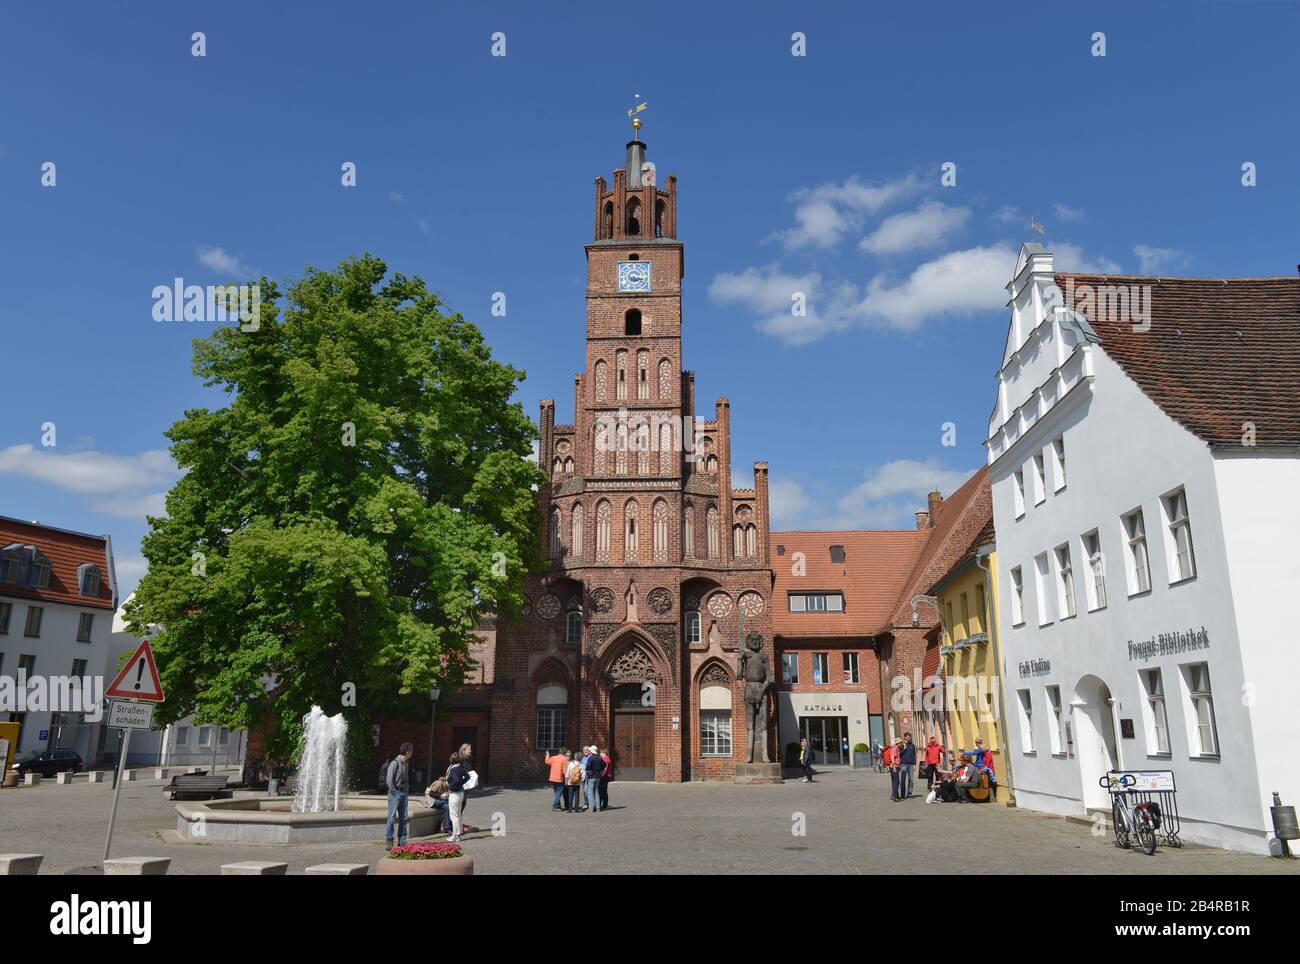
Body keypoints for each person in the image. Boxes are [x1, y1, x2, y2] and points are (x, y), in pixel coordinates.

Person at [384, 743, 414, 850]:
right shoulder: (395, 763)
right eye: (411, 751)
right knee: (391, 818)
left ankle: (402, 841)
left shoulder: (406, 763)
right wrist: (394, 791)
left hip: (404, 793)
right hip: (395, 794)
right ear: (407, 752)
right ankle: (389, 841)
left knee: (404, 818)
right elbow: (389, 779)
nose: (412, 753)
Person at [446, 751, 470, 842]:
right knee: (458, 814)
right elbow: (467, 777)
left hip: (454, 794)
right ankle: (459, 834)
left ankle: (455, 835)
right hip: (461, 793)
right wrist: (461, 783)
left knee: (454, 815)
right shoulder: (461, 767)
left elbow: (455, 780)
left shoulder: (452, 770)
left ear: (452, 760)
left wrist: (451, 786)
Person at [584, 744, 606, 812]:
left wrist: (589, 770)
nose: (589, 751)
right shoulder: (599, 757)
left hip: (591, 776)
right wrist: (600, 770)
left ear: (591, 751)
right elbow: (604, 765)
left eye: (590, 750)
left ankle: (591, 807)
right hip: (598, 776)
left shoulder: (591, 758)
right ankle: (598, 807)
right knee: (596, 792)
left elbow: (587, 766)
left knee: (590, 792)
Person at [898, 732, 917, 799]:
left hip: (911, 764)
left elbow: (914, 755)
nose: (908, 738)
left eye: (909, 737)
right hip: (903, 764)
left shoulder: (912, 745)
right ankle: (902, 794)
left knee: (911, 779)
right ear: (905, 737)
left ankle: (909, 793)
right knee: (903, 780)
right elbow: (899, 754)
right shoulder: (902, 745)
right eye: (907, 737)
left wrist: (915, 764)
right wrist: (904, 748)